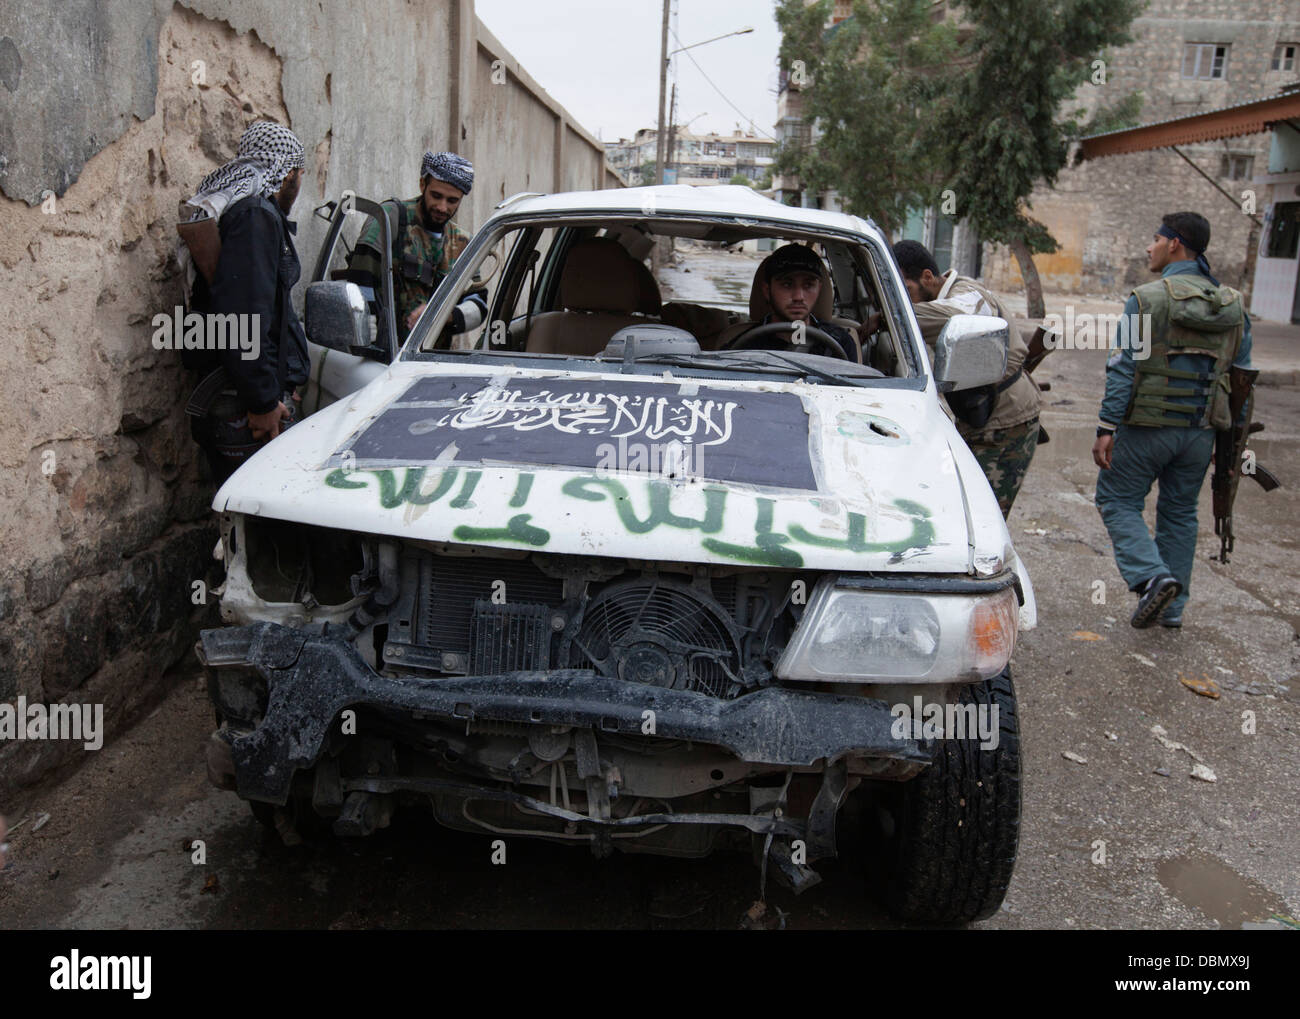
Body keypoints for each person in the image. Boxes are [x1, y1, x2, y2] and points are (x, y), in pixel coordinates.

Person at [1092, 212, 1252, 629]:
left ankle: (1150, 578)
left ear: (1175, 244)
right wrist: (1233, 447)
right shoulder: (1233, 305)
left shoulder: (1147, 298)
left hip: (1146, 429)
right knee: (1180, 514)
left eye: (1156, 239)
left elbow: (1124, 368)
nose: (1150, 247)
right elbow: (1243, 383)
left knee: (1117, 500)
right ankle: (1173, 610)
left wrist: (1106, 427)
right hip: (1201, 433)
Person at [183, 121, 309, 485]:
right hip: (243, 404)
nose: (297, 185)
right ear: (288, 174)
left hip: (245, 396)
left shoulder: (245, 212)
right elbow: (242, 318)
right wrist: (264, 402)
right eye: (299, 174)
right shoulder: (255, 215)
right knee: (258, 516)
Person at [893, 240, 1043, 517]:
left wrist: (889, 312)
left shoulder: (969, 294)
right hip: (975, 415)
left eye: (908, 290)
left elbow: (956, 315)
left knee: (985, 517)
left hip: (1006, 420)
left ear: (927, 277)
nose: (907, 298)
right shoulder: (936, 299)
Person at [350, 150, 474, 341]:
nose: (442, 207)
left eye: (452, 201)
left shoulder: (462, 243)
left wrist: (441, 315)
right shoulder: (390, 217)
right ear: (422, 184)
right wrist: (368, 342)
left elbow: (477, 303)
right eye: (436, 195)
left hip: (430, 361)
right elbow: (360, 282)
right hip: (384, 355)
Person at [725, 244, 856, 359]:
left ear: (819, 289)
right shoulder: (741, 347)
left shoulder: (840, 343)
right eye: (787, 284)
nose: (798, 296)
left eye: (808, 285)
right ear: (767, 290)